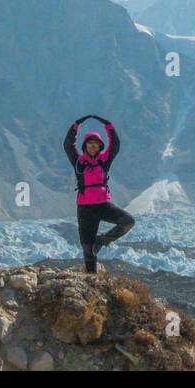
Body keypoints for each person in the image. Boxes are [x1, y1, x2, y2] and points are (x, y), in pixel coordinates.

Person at [63, 115, 134, 273]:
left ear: (100, 146)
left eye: (96, 144)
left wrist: (107, 125)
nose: (93, 147)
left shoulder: (104, 160)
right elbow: (68, 145)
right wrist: (76, 125)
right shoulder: (78, 162)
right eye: (90, 144)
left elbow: (115, 144)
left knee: (128, 221)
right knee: (88, 248)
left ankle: (102, 240)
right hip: (85, 208)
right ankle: (91, 279)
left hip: (103, 205)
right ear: (85, 146)